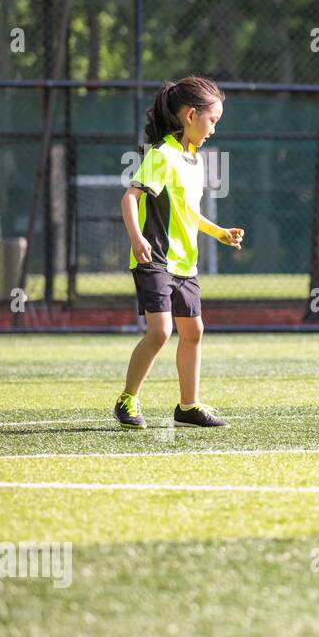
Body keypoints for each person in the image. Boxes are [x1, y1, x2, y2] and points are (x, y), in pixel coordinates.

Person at [114, 76, 245, 429]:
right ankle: (128, 399)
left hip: (185, 264)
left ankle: (188, 407)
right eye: (212, 120)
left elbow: (187, 212)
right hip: (154, 259)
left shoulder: (194, 160)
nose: (214, 130)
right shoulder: (162, 155)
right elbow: (130, 198)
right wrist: (137, 238)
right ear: (190, 115)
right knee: (160, 331)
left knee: (194, 332)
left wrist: (219, 232)